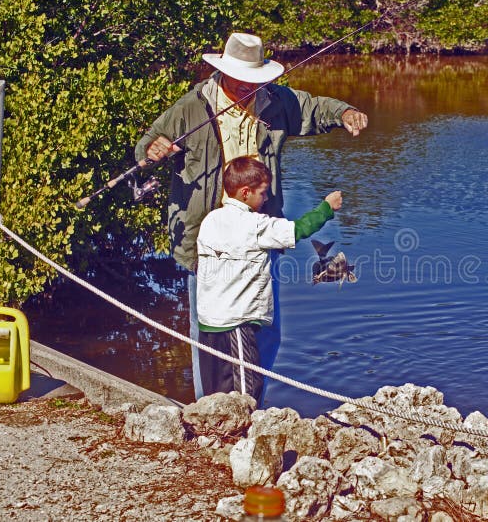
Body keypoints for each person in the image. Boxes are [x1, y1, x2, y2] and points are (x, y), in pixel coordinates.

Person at [134, 32, 368, 401]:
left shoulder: (275, 101)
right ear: (222, 72)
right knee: (209, 327)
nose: (248, 87)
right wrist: (154, 149)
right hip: (207, 233)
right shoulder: (192, 106)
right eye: (241, 80)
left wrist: (345, 113)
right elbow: (148, 145)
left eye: (255, 81)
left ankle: (252, 401)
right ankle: (208, 405)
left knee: (264, 322)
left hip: (258, 228)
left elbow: (313, 108)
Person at [195, 156, 342, 401]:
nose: (266, 199)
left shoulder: (210, 220)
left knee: (215, 396)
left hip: (208, 325)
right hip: (236, 326)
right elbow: (298, 230)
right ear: (244, 192)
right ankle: (240, 438)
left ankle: (213, 436)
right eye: (262, 193)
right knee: (246, 395)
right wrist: (326, 208)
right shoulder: (255, 225)